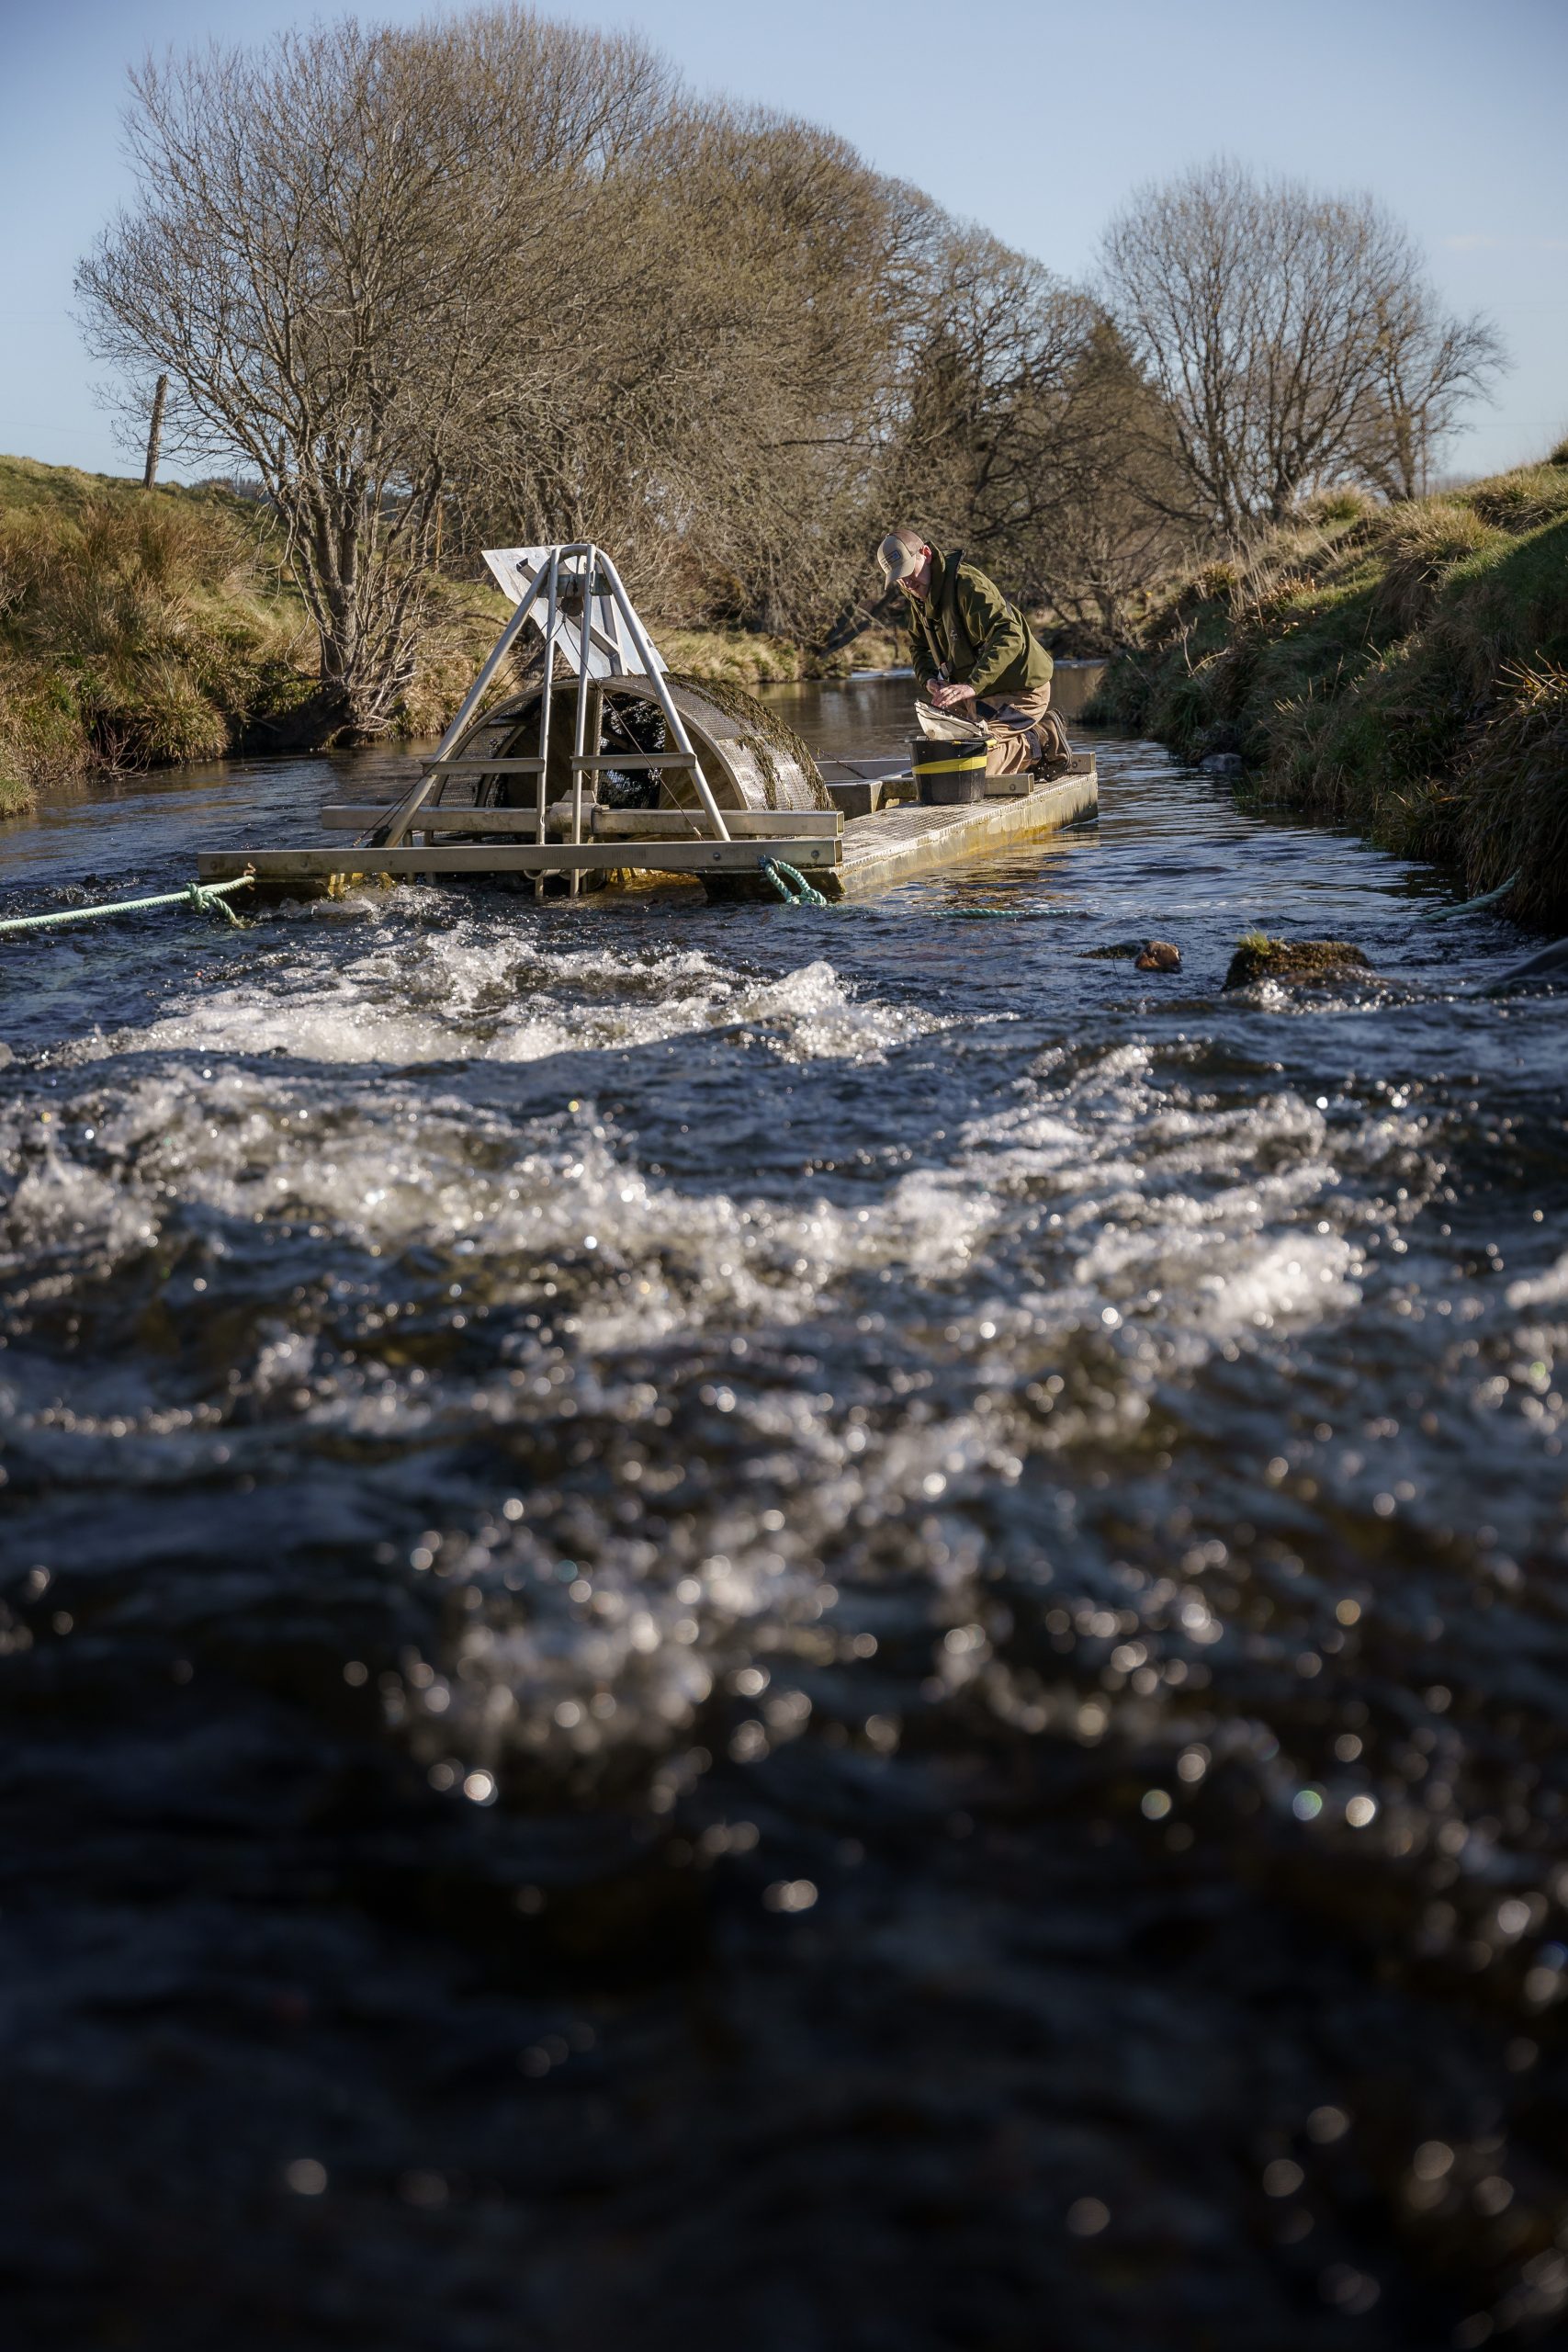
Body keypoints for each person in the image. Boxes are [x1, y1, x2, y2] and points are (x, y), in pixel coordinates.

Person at [875, 526, 1062, 776]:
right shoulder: (917, 594)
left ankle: (1041, 736)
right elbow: (919, 646)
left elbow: (1010, 635)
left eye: (909, 571)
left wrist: (971, 686)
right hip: (980, 696)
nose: (907, 582)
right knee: (945, 755)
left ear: (926, 553)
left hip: (1023, 692)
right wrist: (928, 678)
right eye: (899, 578)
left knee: (975, 767)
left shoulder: (967, 584)